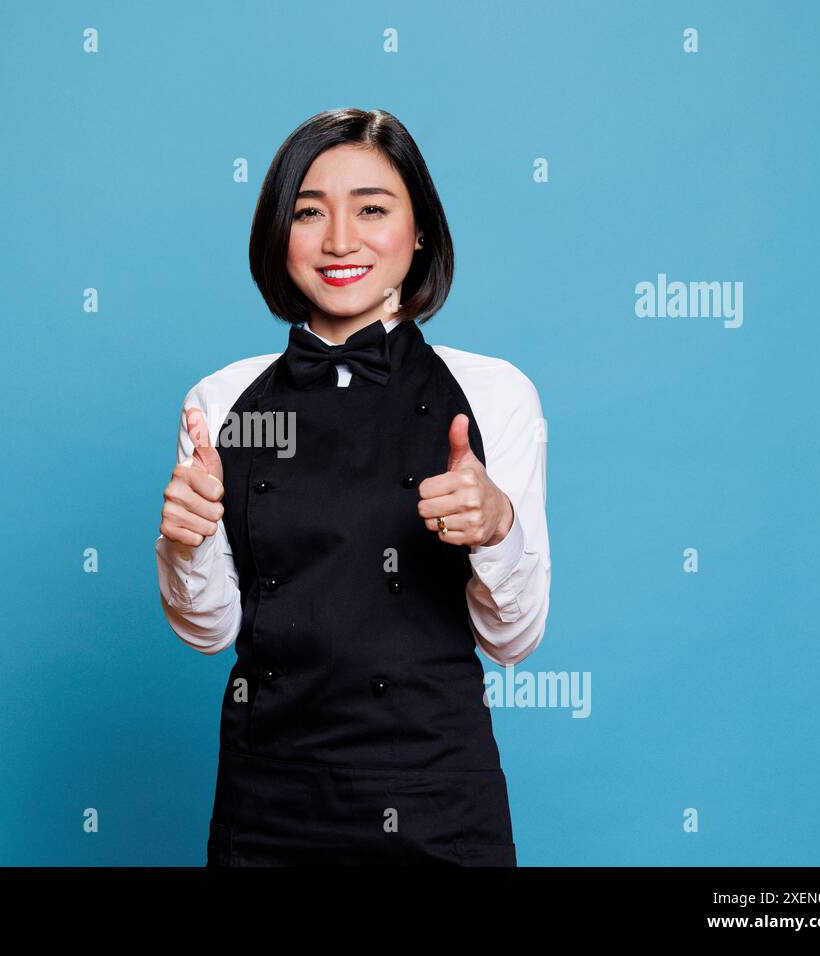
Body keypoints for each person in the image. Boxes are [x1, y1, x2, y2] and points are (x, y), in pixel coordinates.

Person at [155, 108, 550, 866]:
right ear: (278, 233)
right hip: (269, 800)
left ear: (420, 230)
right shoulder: (222, 401)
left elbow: (515, 639)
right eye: (310, 212)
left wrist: (497, 528)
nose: (341, 240)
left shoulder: (494, 393)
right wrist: (184, 542)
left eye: (372, 208)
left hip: (437, 793)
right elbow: (207, 632)